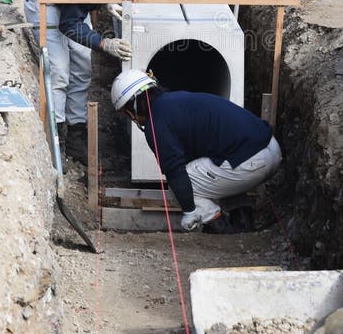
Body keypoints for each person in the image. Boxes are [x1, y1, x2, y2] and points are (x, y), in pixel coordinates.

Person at [25, 0, 160, 165]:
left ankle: (77, 136)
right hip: (47, 2)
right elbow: (69, 25)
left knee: (82, 70)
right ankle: (56, 142)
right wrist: (104, 44)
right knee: (59, 73)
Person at [111, 70, 283, 234]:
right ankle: (243, 221)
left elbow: (175, 171)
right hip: (271, 148)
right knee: (214, 164)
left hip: (253, 162)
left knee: (180, 183)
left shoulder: (157, 122)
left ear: (131, 108)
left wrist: (189, 211)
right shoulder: (176, 101)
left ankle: (220, 227)